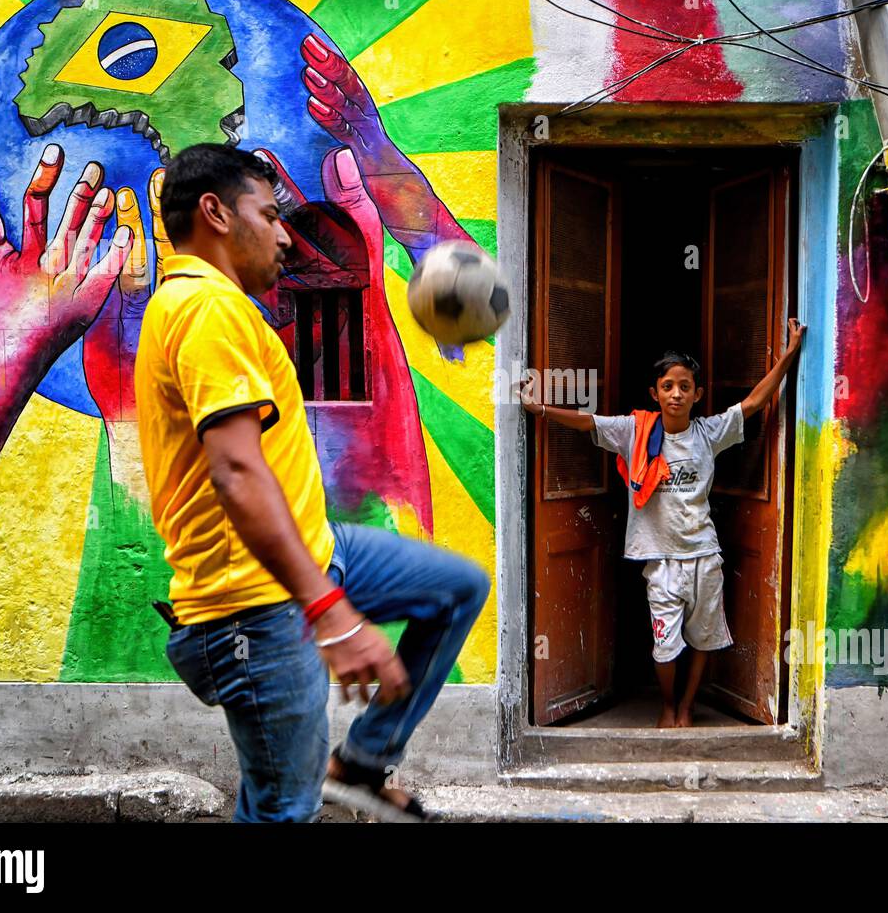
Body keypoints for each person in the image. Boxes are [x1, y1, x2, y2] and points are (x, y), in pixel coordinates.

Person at [134, 143, 489, 821]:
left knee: (456, 588)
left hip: (314, 550)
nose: (284, 234)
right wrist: (327, 609)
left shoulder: (210, 306)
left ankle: (361, 759)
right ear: (214, 212)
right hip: (256, 601)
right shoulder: (207, 311)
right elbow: (236, 470)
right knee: (281, 810)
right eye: (268, 215)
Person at [520, 322, 804, 727]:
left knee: (704, 637)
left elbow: (755, 403)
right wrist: (541, 410)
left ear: (697, 395)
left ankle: (686, 707)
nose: (676, 394)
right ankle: (668, 704)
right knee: (665, 645)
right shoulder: (635, 431)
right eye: (668, 386)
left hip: (704, 555)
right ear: (655, 393)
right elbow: (589, 422)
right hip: (659, 560)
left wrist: (790, 352)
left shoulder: (708, 433)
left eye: (685, 387)